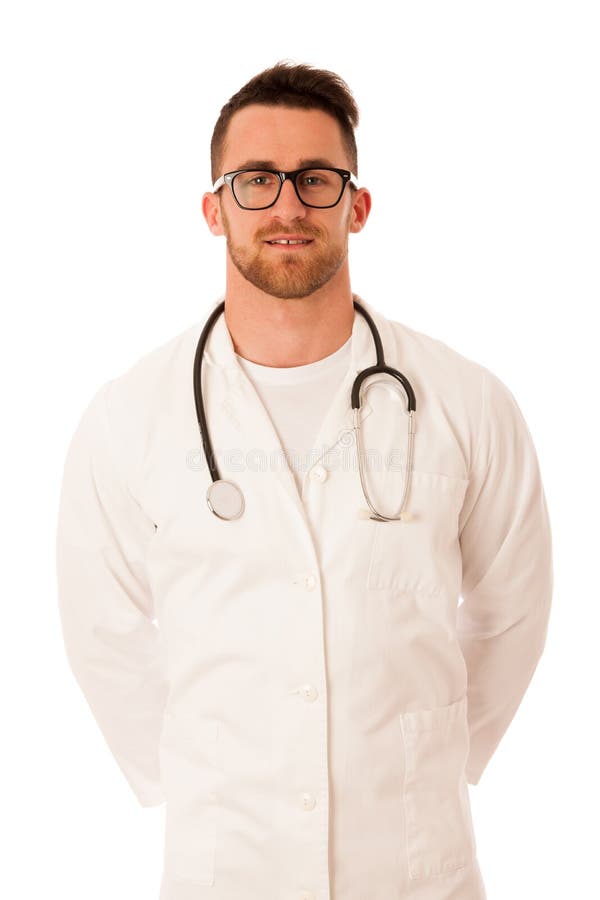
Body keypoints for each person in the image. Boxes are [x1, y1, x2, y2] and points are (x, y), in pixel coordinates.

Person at [55, 60, 553, 900]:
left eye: (316, 180)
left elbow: (515, 608)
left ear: (357, 204)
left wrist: (426, 755)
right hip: (225, 867)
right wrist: (196, 772)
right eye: (256, 180)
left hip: (410, 870)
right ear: (214, 210)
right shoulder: (128, 415)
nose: (287, 205)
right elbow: (100, 630)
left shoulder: (467, 401)